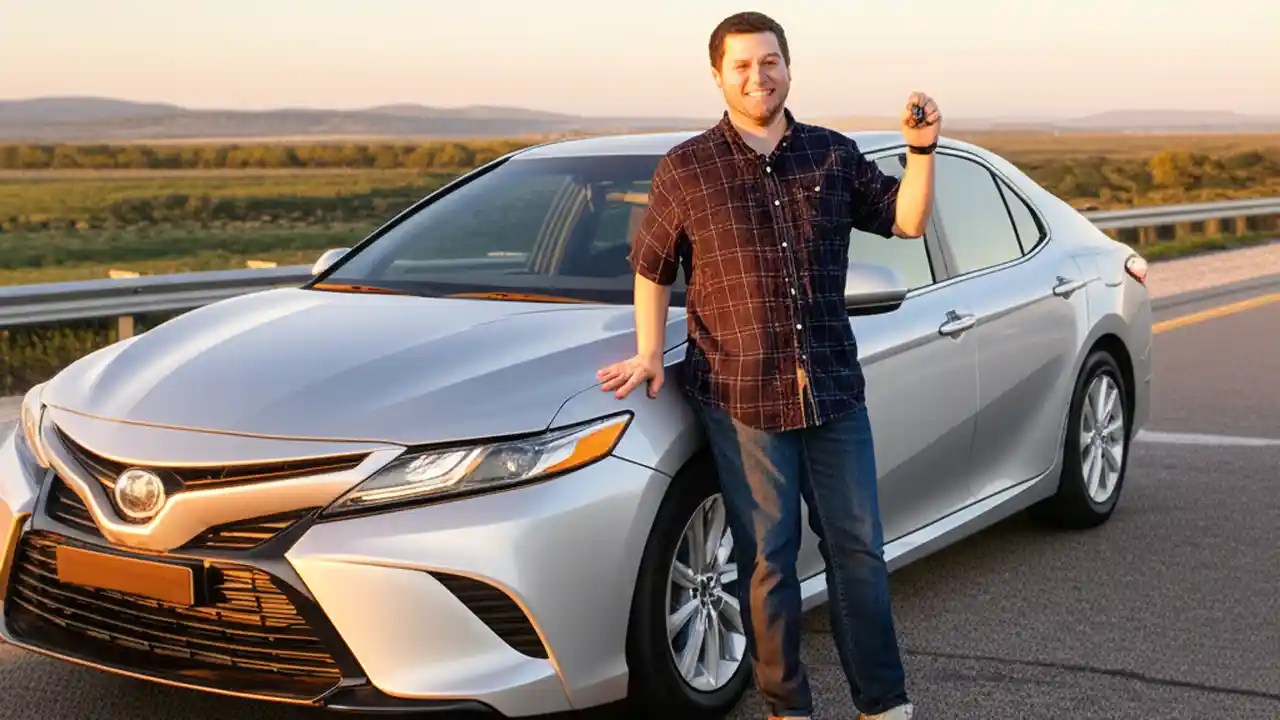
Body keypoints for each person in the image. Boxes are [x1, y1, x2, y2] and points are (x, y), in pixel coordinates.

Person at [596, 10, 937, 720]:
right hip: (742, 398)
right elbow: (653, 267)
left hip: (834, 392)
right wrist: (649, 350)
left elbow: (904, 222)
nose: (759, 76)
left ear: (789, 67)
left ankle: (885, 705)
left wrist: (922, 152)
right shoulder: (687, 169)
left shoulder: (832, 156)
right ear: (718, 75)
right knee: (767, 565)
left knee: (860, 557)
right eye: (743, 65)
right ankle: (788, 709)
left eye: (770, 61)